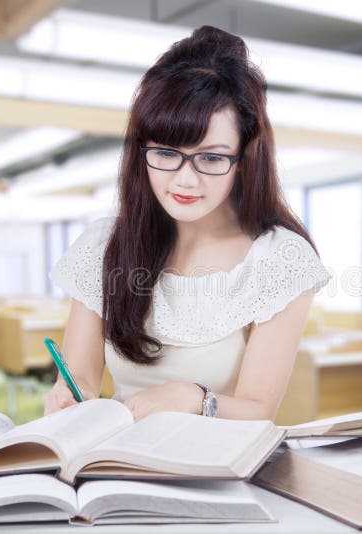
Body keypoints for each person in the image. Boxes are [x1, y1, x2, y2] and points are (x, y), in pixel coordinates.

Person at [44, 25, 331, 422]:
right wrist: (66, 397)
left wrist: (195, 399)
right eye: (165, 153)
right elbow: (81, 380)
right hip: (116, 463)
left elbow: (259, 411)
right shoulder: (104, 244)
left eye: (211, 158)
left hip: (217, 472)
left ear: (245, 157)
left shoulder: (280, 259)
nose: (184, 180)